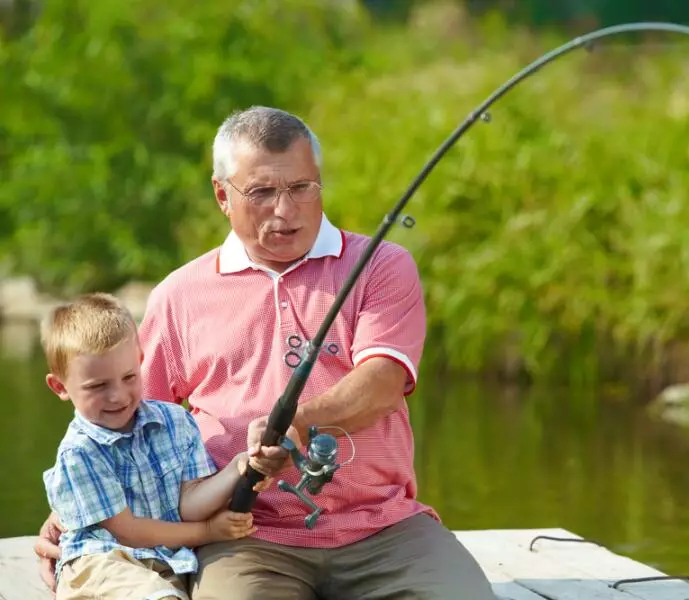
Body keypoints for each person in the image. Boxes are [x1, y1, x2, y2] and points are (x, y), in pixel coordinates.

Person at [35, 106, 497, 599]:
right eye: (261, 192)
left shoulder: (382, 265)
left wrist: (294, 423)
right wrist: (74, 506)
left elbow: (382, 383)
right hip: (243, 534)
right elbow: (126, 418)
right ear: (222, 196)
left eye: (301, 187)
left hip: (383, 527)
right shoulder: (179, 294)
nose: (285, 210)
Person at [38, 292, 274, 600]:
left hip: (166, 561)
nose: (118, 396)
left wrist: (237, 469)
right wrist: (208, 532)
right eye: (98, 386)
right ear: (60, 387)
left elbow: (188, 505)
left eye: (129, 377)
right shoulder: (79, 453)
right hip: (102, 561)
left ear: (140, 362)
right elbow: (128, 531)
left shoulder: (175, 421)